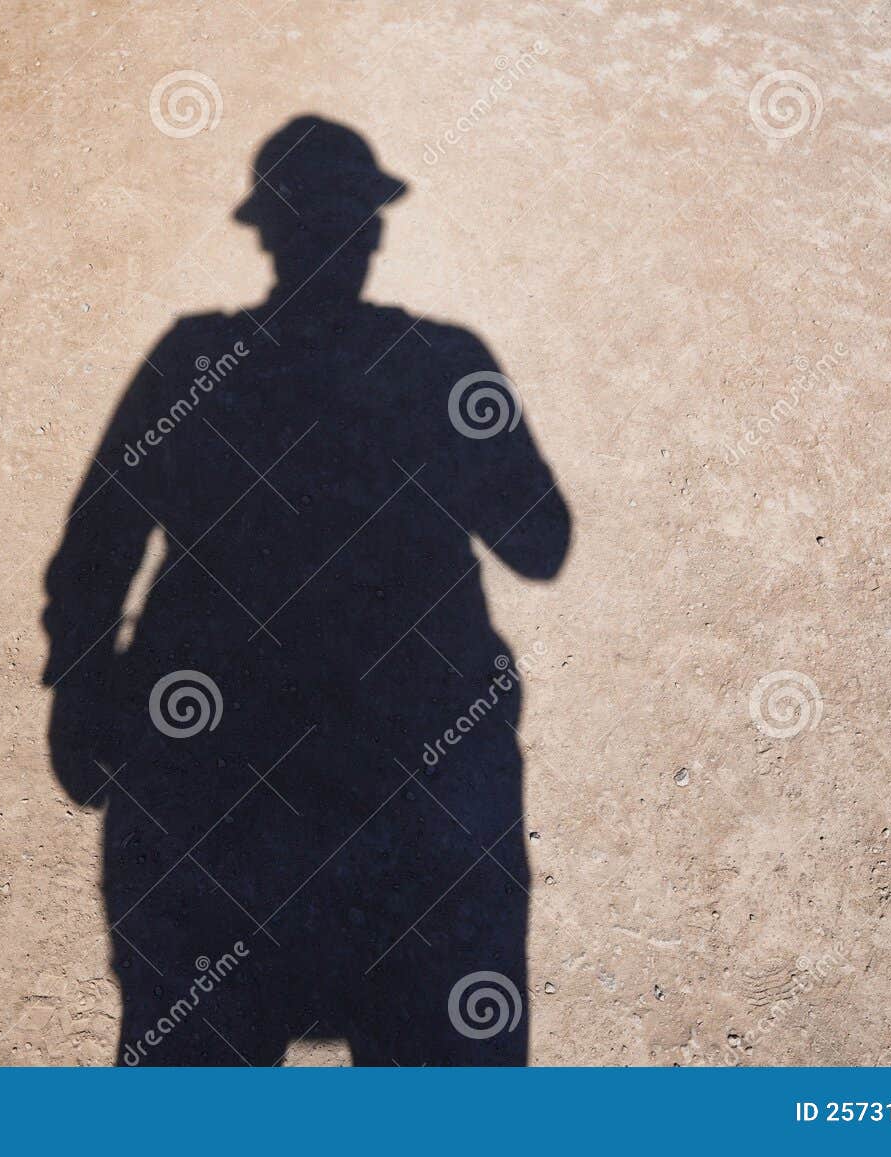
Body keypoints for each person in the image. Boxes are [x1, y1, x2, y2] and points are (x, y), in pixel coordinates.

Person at [42, 115, 570, 1064]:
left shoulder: (194, 362)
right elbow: (540, 541)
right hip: (416, 800)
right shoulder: (439, 366)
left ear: (268, 234)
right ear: (370, 233)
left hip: (215, 799)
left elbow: (95, 547)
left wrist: (82, 694)